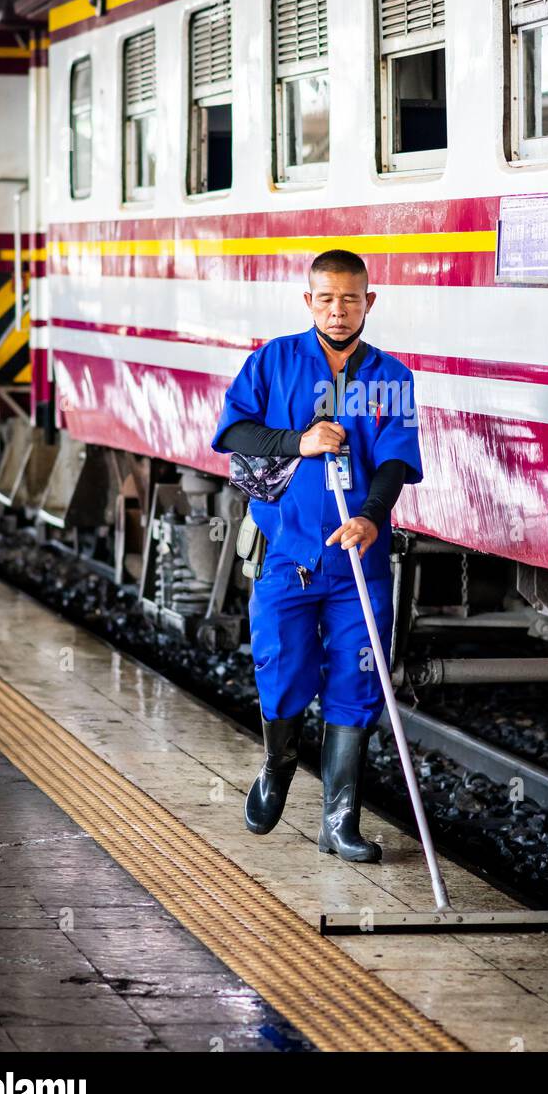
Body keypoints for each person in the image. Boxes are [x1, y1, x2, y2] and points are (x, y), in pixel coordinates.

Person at [210, 249, 423, 861]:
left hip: (360, 557)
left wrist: (369, 516)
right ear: (309, 301)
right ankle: (278, 767)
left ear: (369, 301)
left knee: (358, 679)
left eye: (350, 299)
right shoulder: (273, 361)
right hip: (289, 556)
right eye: (326, 299)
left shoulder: (392, 378)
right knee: (283, 671)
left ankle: (339, 820)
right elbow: (234, 432)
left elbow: (394, 462)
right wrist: (298, 442)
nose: (338, 310)